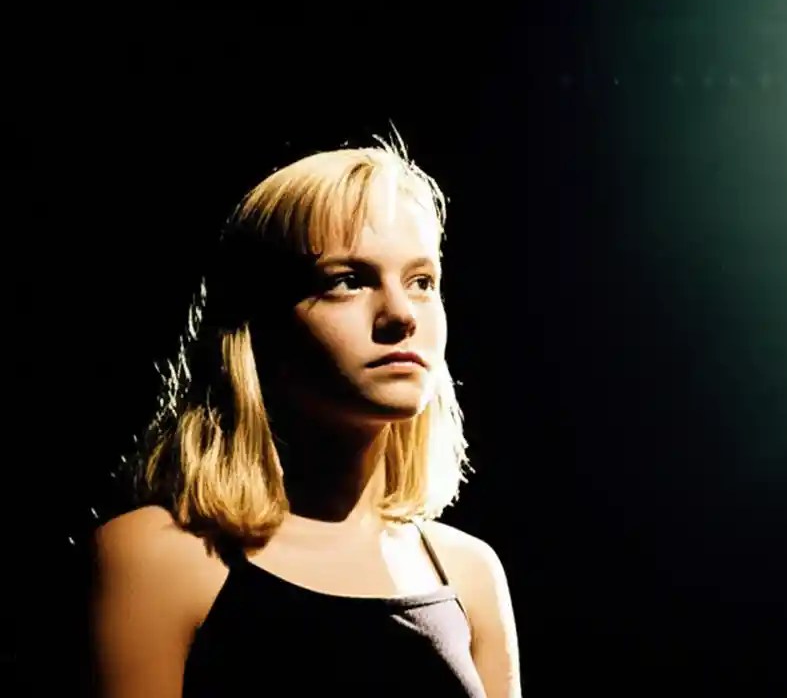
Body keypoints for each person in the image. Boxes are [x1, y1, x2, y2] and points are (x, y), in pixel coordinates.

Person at [88, 136, 520, 698]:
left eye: (421, 282)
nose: (400, 315)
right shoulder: (156, 557)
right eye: (348, 280)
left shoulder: (468, 574)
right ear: (258, 325)